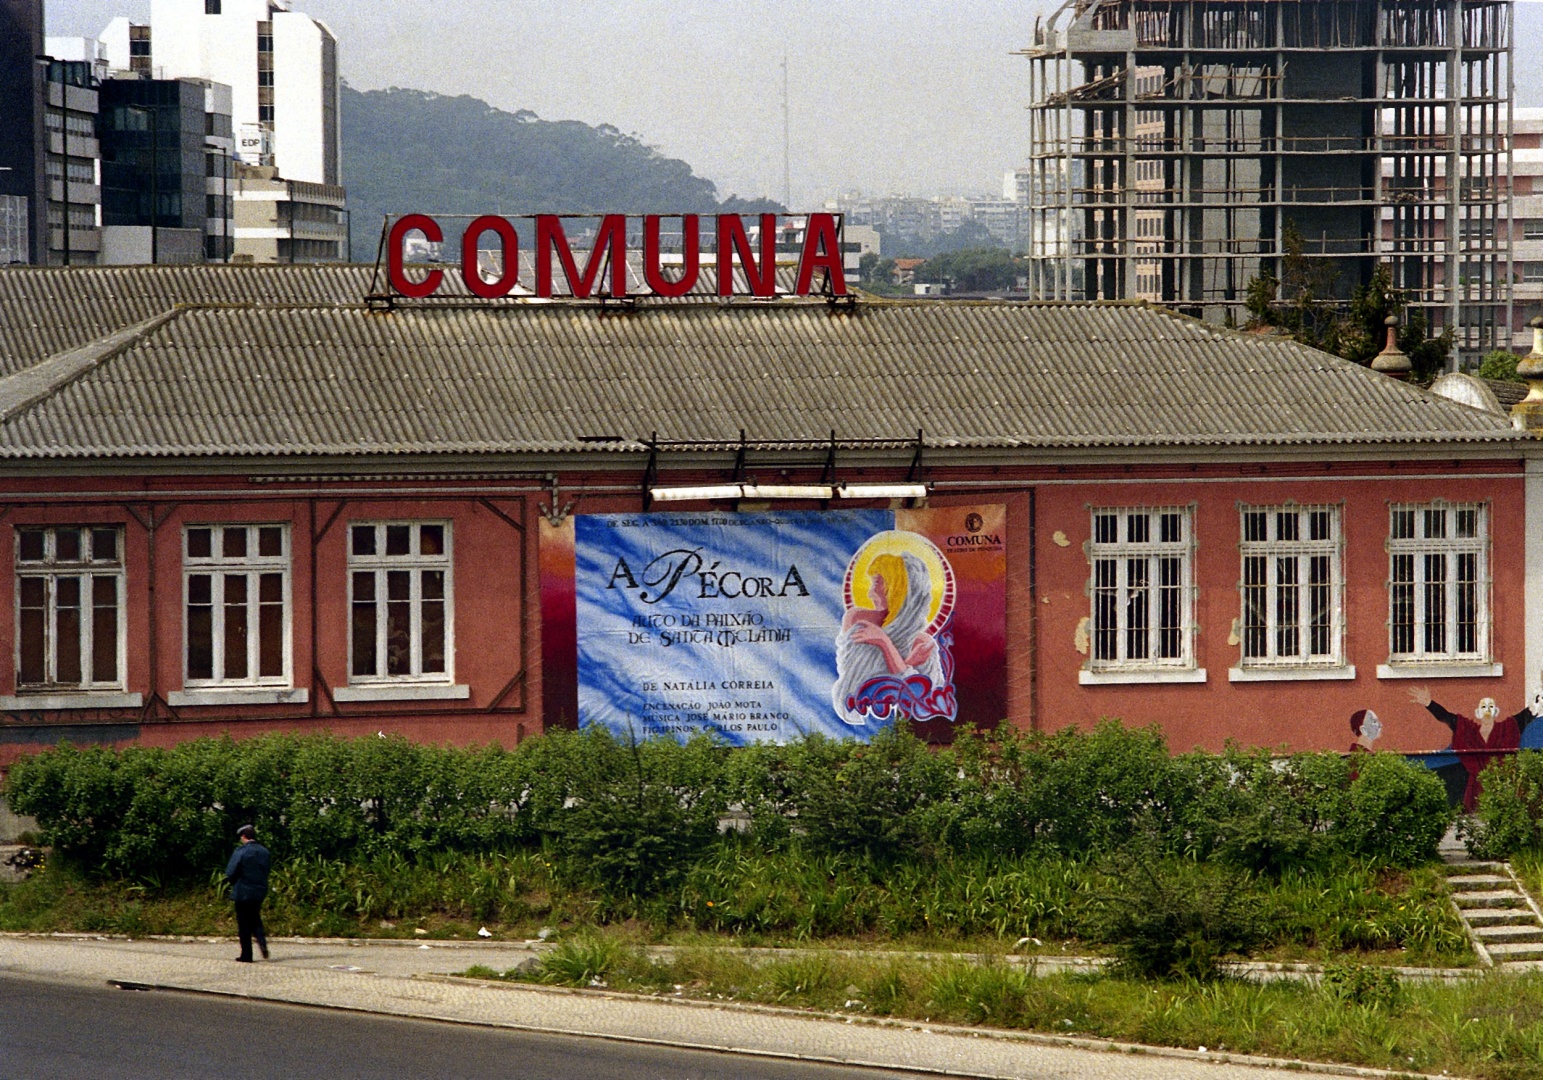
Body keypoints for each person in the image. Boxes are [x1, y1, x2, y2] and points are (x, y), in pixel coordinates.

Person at [832, 551, 944, 724]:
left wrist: (885, 643)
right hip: (860, 725)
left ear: (897, 589)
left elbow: (926, 704)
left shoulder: (923, 644)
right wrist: (908, 664)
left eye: (877, 583)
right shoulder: (859, 621)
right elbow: (849, 689)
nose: (870, 593)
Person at [1407, 686, 1537, 813]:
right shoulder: (1469, 731)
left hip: (1499, 784)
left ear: (1496, 711)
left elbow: (1525, 715)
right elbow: (1447, 717)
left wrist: (1538, 697)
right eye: (1484, 707)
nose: (1487, 710)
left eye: (1491, 707)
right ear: (1478, 712)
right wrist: (1429, 703)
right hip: (1475, 786)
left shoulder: (1506, 729)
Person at [225, 824, 271, 962]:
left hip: (243, 891)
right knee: (255, 918)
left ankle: (247, 954)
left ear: (243, 836)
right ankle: (262, 942)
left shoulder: (241, 851)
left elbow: (230, 872)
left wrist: (233, 882)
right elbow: (267, 870)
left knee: (244, 923)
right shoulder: (264, 852)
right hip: (259, 890)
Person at [1347, 708, 1381, 781]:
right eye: (1374, 722)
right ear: (1363, 730)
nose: (1380, 725)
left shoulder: (1366, 754)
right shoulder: (1357, 757)